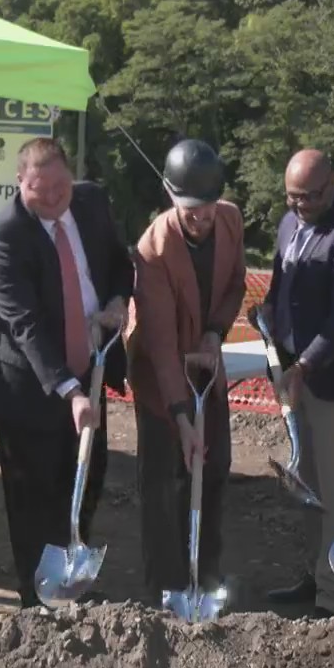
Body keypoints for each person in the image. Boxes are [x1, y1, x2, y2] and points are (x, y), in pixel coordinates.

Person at [0, 138, 132, 607]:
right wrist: (69, 392)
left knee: (87, 474)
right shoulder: (2, 237)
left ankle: (70, 578)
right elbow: (25, 326)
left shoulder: (91, 201)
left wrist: (118, 300)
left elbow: (120, 263)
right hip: (28, 385)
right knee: (34, 495)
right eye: (41, 191)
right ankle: (37, 599)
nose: (54, 198)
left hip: (91, 369)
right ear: (21, 183)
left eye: (61, 186)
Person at [126, 139, 247, 605]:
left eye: (207, 207)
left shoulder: (231, 221)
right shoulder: (153, 249)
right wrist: (180, 417)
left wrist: (216, 331)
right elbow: (158, 341)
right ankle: (166, 586)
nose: (199, 216)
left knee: (213, 467)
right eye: (188, 208)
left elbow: (236, 283)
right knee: (164, 479)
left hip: (206, 367)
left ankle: (206, 574)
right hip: (161, 377)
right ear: (169, 195)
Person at [258, 149, 334, 617]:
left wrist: (304, 367)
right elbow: (280, 282)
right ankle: (316, 575)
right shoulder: (289, 224)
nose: (301, 205)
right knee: (306, 485)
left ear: (332, 184)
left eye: (310, 196)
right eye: (292, 197)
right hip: (294, 375)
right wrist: (267, 311)